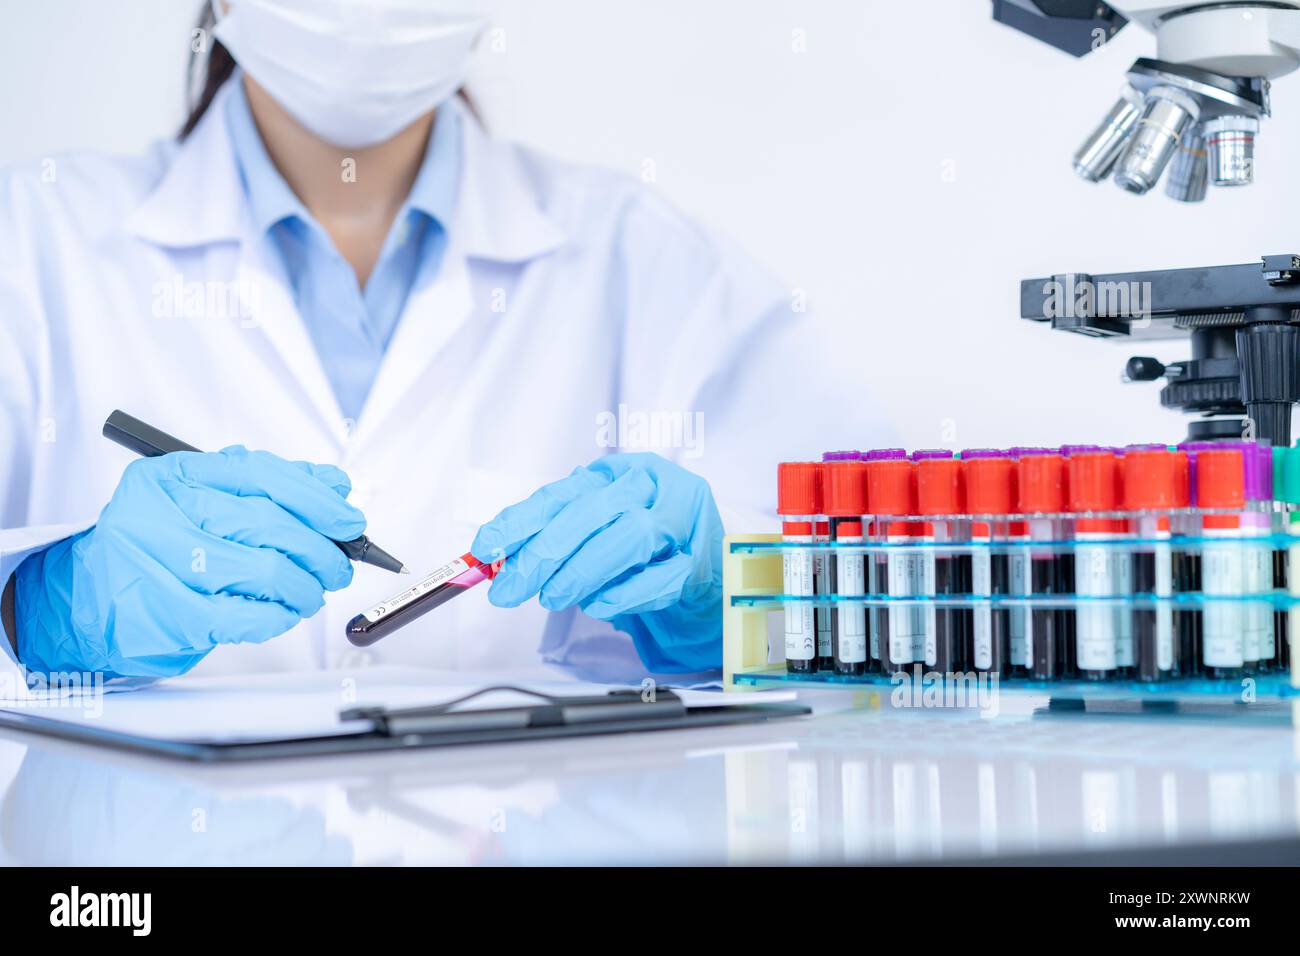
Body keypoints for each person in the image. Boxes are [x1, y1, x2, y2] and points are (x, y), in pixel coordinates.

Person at [0, 0, 890, 689]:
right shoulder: (32, 247)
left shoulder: (646, 258)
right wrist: (38, 612)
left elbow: (878, 608)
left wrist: (724, 599)